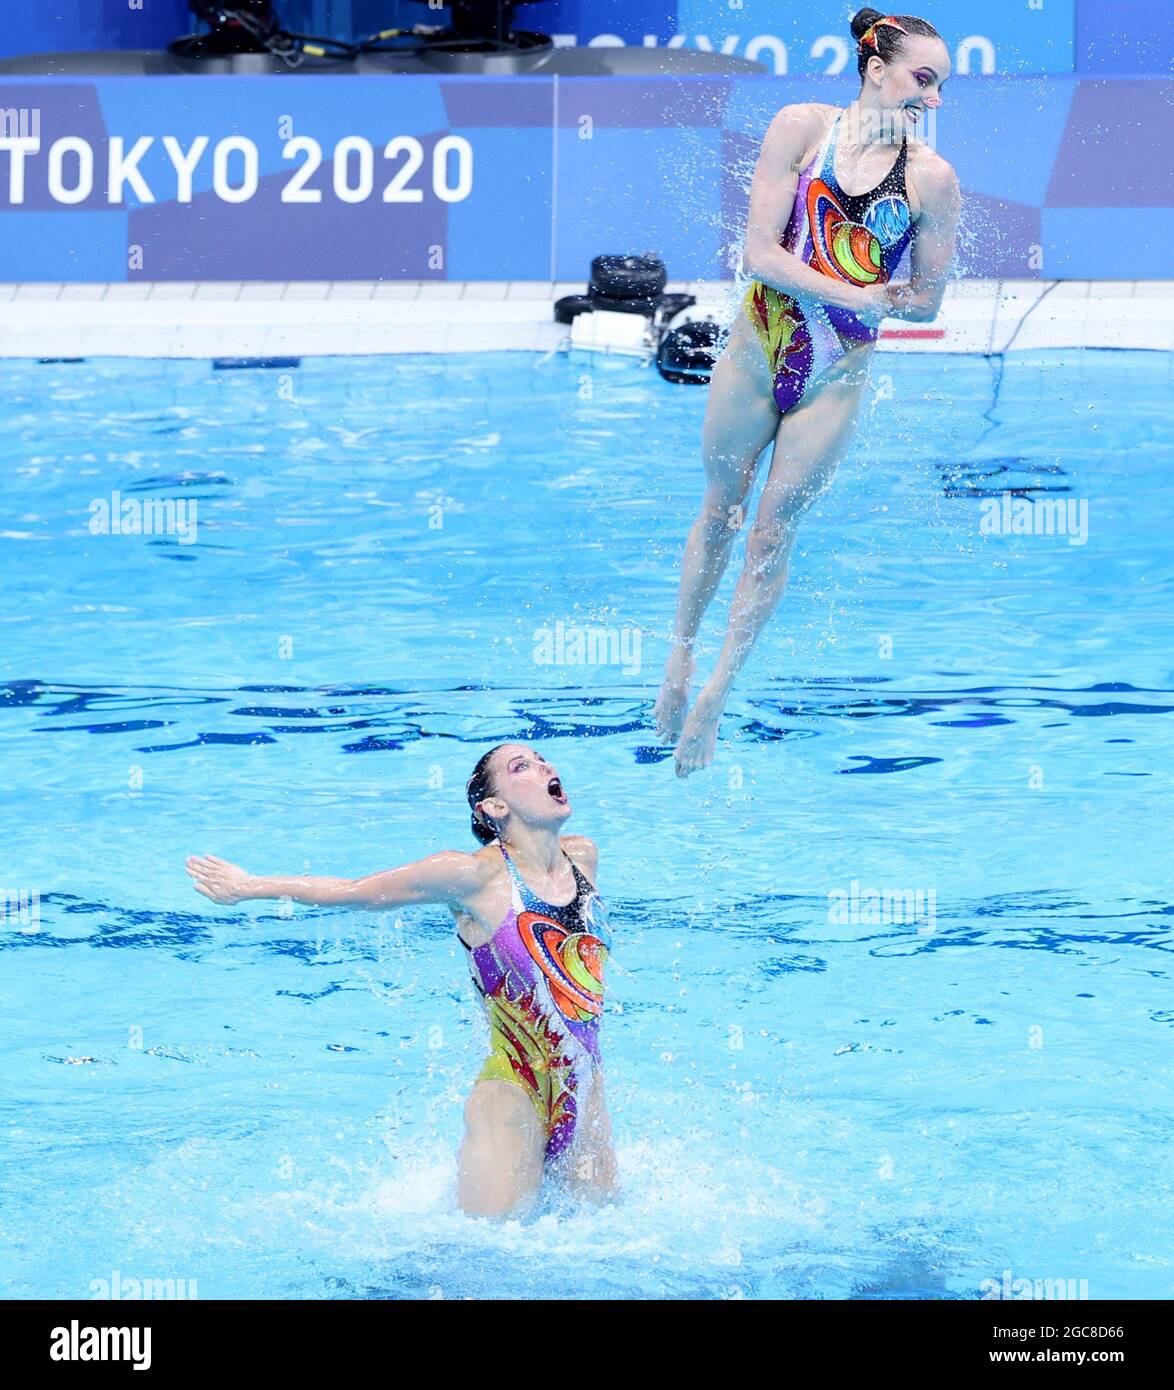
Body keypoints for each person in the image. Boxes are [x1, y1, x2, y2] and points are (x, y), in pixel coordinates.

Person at [654, 9, 961, 776]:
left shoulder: (930, 179)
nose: (935, 98)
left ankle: (716, 696)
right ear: (876, 68)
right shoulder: (800, 129)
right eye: (924, 79)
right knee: (721, 509)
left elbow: (926, 302)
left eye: (942, 84)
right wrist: (863, 294)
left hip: (835, 373)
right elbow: (760, 254)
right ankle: (678, 666)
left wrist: (877, 303)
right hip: (759, 346)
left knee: (770, 532)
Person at [185, 743, 617, 1220]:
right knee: (481, 1262)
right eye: (522, 768)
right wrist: (250, 886)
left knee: (605, 1243)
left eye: (541, 760)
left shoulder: (584, 859)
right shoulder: (474, 876)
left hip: (586, 1094)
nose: (544, 767)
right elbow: (357, 893)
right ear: (494, 808)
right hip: (512, 1096)